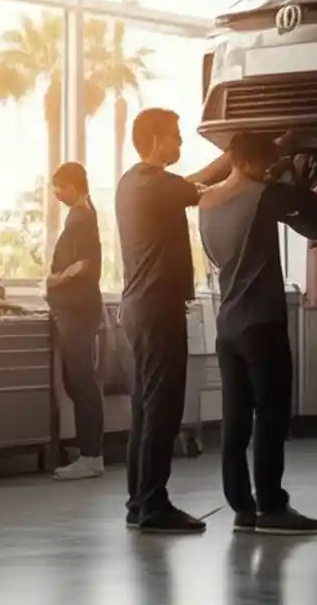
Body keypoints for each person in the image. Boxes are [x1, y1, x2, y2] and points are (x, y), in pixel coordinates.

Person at [198, 135, 317, 536]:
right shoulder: (264, 195)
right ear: (256, 163)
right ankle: (271, 506)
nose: (270, 173)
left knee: (235, 423)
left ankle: (243, 508)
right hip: (261, 325)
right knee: (271, 417)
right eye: (268, 166)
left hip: (228, 325)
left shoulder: (206, 200)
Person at [115, 107, 239, 534]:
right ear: (155, 139)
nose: (180, 144)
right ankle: (152, 504)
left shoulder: (136, 183)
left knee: (146, 407)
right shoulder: (152, 182)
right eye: (175, 136)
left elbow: (196, 183)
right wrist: (243, 156)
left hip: (142, 307)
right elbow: (208, 187)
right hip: (156, 307)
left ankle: (140, 501)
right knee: (162, 406)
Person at [46, 162, 106, 481]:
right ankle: (89, 449)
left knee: (82, 380)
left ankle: (91, 454)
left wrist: (55, 280)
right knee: (75, 380)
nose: (56, 193)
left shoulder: (81, 217)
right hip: (73, 309)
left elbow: (83, 264)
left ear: (73, 185)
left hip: (77, 310)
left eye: (59, 187)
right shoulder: (81, 216)